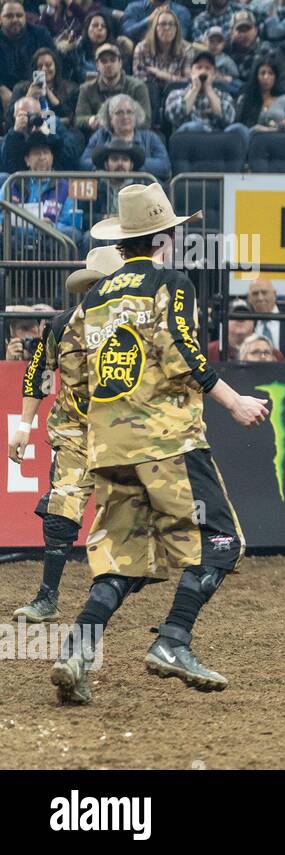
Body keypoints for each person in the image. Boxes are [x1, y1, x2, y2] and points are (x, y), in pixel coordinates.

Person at [51, 182, 270, 703]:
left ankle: (76, 652)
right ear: (164, 236)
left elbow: (73, 373)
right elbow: (181, 352)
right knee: (222, 543)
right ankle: (173, 639)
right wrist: (235, 401)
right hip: (167, 442)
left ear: (124, 241)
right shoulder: (171, 283)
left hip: (110, 447)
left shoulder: (93, 298)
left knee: (126, 558)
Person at [8, 247, 125, 624]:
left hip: (126, 432)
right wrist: (24, 426)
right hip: (75, 431)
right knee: (62, 509)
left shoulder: (137, 327)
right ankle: (47, 597)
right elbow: (38, 374)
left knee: (132, 515)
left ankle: (111, 591)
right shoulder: (60, 325)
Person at [9, 133, 84, 249]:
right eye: (36, 153)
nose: (42, 157)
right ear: (27, 160)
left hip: (51, 238)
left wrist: (52, 226)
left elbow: (71, 222)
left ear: (52, 157)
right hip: (19, 237)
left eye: (45, 152)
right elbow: (1, 214)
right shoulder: (15, 182)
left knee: (72, 234)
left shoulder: (65, 186)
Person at [76, 94, 170, 177]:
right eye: (119, 113)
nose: (125, 117)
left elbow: (164, 166)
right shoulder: (100, 136)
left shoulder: (150, 138)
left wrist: (133, 164)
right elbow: (84, 163)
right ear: (109, 117)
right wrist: (108, 166)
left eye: (129, 112)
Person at [74, 43, 152, 135]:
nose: (108, 65)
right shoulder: (87, 89)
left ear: (120, 63)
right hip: (100, 136)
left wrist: (122, 123)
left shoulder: (137, 86)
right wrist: (90, 120)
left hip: (132, 135)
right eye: (104, 61)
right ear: (97, 66)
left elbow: (146, 121)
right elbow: (78, 119)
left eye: (113, 60)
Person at [165, 50, 243, 138]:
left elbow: (228, 119)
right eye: (199, 67)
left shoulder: (223, 95)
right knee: (194, 127)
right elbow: (174, 116)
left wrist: (209, 90)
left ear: (214, 74)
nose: (203, 71)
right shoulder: (176, 93)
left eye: (207, 68)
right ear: (191, 72)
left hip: (216, 141)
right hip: (188, 142)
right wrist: (195, 89)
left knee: (239, 129)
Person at [133, 7, 190, 114]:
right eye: (163, 24)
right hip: (149, 97)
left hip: (176, 95)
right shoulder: (141, 48)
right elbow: (139, 80)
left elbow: (188, 81)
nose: (167, 28)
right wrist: (174, 78)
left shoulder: (186, 49)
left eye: (171, 24)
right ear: (155, 28)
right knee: (149, 87)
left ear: (177, 28)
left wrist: (163, 75)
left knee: (175, 88)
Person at [3, 95, 82, 173]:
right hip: (23, 180)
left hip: (55, 176)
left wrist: (50, 135)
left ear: (41, 113)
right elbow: (6, 165)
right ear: (14, 117)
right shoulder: (13, 134)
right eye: (22, 116)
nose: (28, 119)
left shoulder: (53, 124)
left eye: (31, 115)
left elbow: (72, 154)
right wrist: (15, 135)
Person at [0, 1, 55, 110]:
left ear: (25, 17)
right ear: (0, 19)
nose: (15, 19)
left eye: (19, 15)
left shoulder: (40, 34)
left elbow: (55, 63)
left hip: (38, 86)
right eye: (9, 16)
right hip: (5, 90)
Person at [12, 48, 78, 124]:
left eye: (48, 65)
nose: (44, 69)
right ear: (34, 69)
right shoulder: (20, 89)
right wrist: (27, 98)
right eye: (40, 66)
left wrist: (49, 93)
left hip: (58, 131)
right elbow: (10, 118)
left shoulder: (71, 88)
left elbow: (70, 118)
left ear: (55, 66)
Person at [235, 60, 285, 133]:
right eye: (262, 73)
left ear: (275, 77)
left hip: (280, 140)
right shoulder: (247, 99)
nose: (266, 77)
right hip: (254, 140)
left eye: (270, 73)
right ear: (256, 77)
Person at [123, 0, 192, 45]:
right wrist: (148, 20)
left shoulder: (181, 11)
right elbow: (126, 32)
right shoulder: (134, 7)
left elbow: (181, 36)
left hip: (171, 50)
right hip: (140, 48)